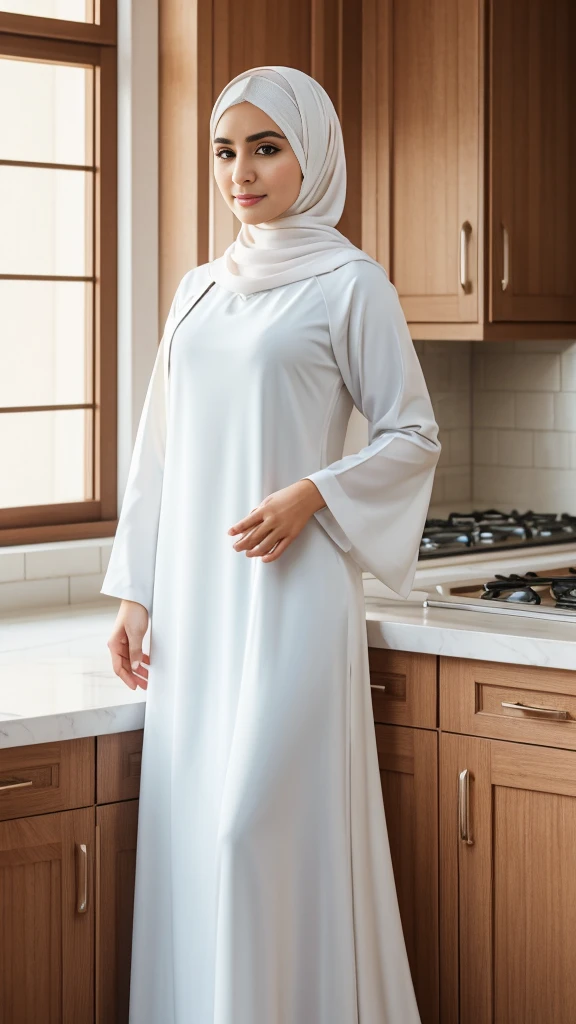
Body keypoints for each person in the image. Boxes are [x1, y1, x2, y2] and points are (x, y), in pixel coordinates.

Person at [102, 64, 441, 1024]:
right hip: (197, 613)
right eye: (224, 150)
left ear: (312, 155)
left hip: (295, 600)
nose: (240, 171)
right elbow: (157, 448)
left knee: (253, 829)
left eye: (265, 147)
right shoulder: (197, 290)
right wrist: (136, 595)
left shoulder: (350, 282)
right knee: (198, 835)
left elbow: (413, 433)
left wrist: (313, 494)